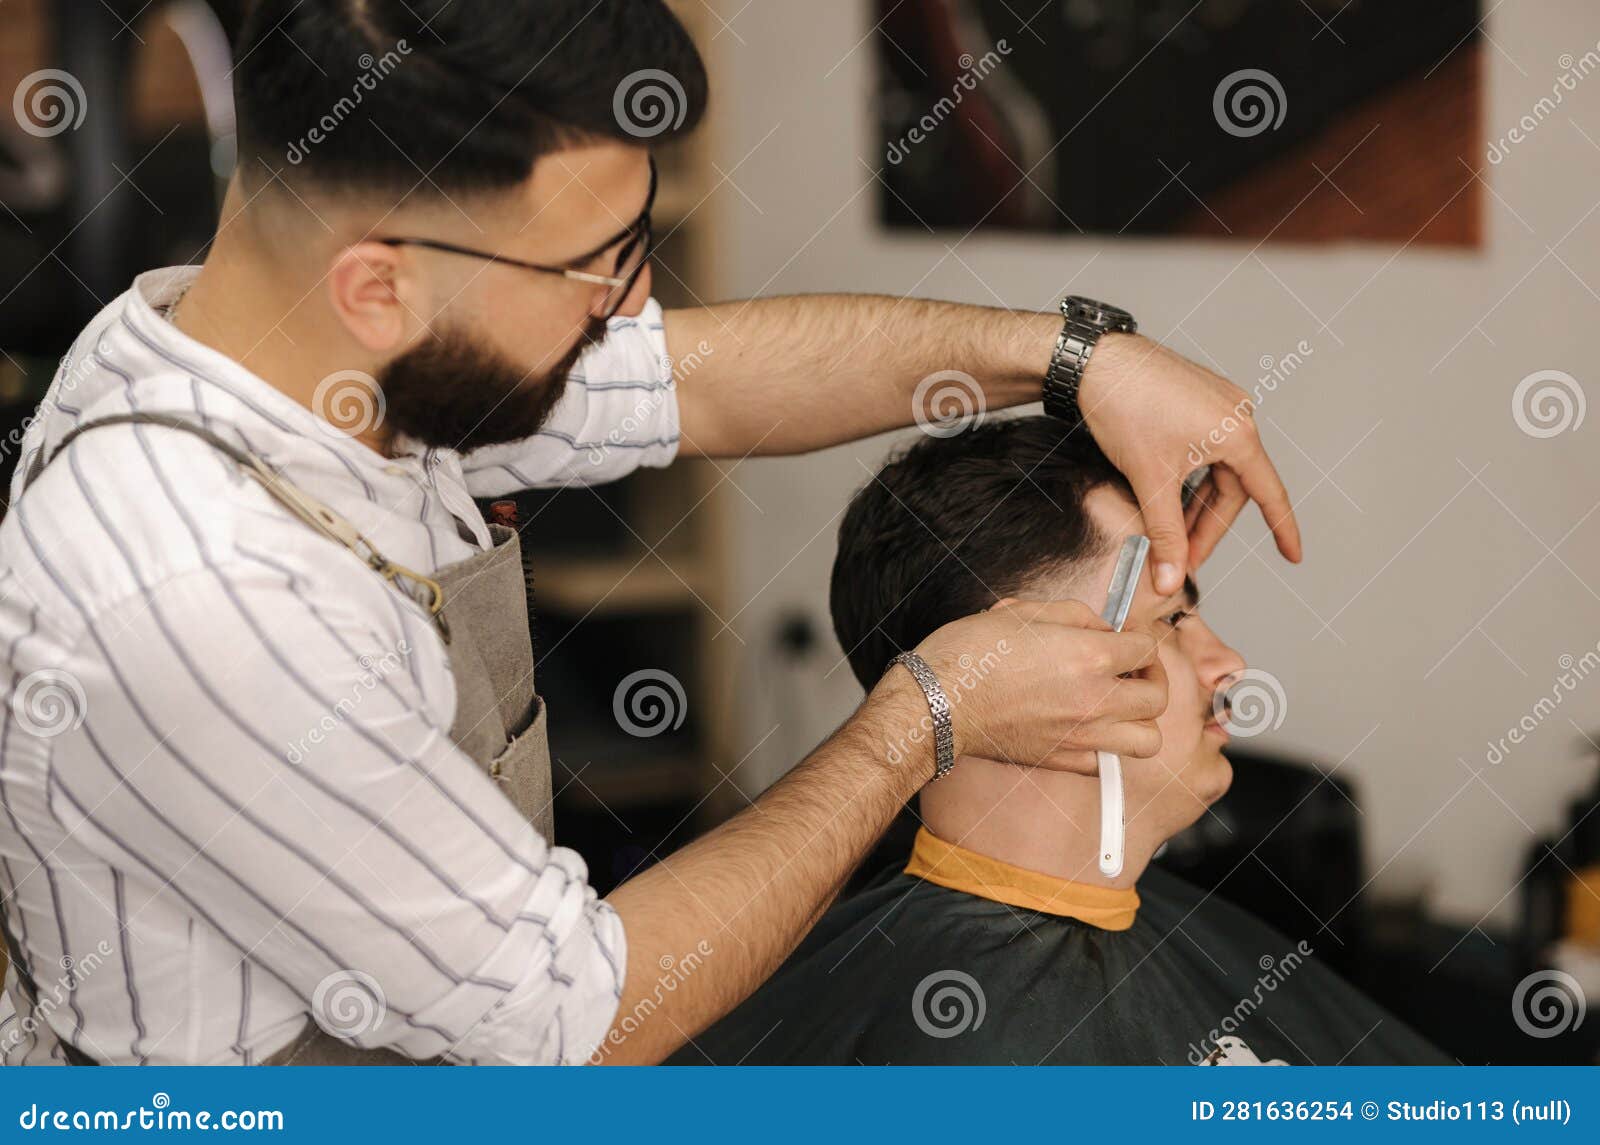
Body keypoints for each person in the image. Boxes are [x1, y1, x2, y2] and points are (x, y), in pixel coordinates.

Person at [0, 1, 1300, 1066]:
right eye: (598, 264)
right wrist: (928, 716)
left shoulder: (321, 362)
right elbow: (573, 1015)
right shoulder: (190, 586)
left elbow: (706, 379)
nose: (634, 297)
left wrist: (1068, 357)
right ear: (379, 285)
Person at [669, 418, 1445, 1066]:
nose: (1227, 663)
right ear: (1019, 668)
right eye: (1171, 623)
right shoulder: (960, 1047)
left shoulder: (1182, 931)